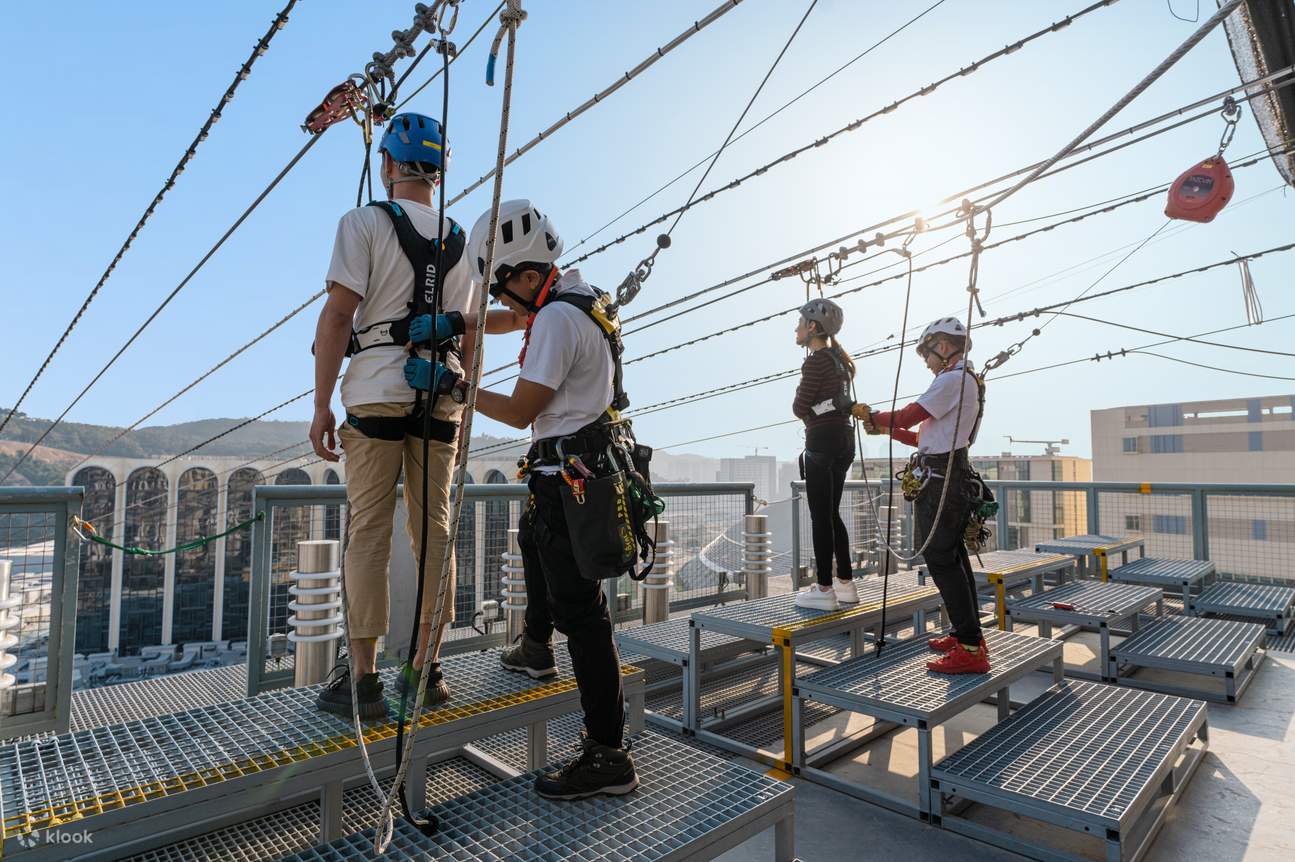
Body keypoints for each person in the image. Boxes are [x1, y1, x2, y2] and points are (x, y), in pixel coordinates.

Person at [403, 199, 639, 800]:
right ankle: (535, 647)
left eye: (505, 287)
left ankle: (608, 754)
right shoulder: (575, 298)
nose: (502, 301)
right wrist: (461, 324)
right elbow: (514, 321)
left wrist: (455, 383)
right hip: (567, 470)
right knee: (532, 544)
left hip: (570, 475)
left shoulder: (557, 320)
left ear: (530, 276)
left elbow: (517, 411)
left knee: (583, 616)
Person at [309, 113, 477, 718]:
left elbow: (336, 318)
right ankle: (427, 670)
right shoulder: (462, 241)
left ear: (386, 164)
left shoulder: (363, 223)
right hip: (441, 393)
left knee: (369, 529)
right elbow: (472, 329)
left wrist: (322, 402)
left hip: (377, 387)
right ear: (438, 171)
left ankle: (362, 679)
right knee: (433, 528)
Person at [859, 317, 990, 674]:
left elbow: (908, 415)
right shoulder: (965, 381)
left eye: (927, 354)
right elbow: (924, 436)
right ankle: (967, 635)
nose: (926, 362)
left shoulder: (952, 380)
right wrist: (887, 429)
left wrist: (875, 416)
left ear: (943, 347)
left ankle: (970, 646)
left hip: (942, 479)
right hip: (950, 471)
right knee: (953, 557)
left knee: (941, 558)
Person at [791, 298, 859, 611]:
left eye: (801, 323)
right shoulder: (840, 362)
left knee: (821, 517)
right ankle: (846, 584)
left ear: (813, 327)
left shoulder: (816, 361)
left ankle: (824, 588)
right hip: (845, 439)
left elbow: (799, 407)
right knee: (832, 514)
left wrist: (813, 411)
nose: (797, 328)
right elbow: (836, 401)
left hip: (822, 441)